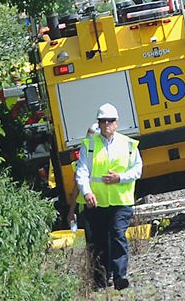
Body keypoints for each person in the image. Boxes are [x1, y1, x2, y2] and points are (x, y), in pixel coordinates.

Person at [75, 103, 142, 290]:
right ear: (99, 123)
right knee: (98, 242)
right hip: (96, 203)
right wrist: (86, 192)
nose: (106, 124)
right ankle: (101, 281)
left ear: (116, 123)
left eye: (110, 121)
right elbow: (82, 171)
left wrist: (120, 178)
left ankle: (120, 276)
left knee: (118, 235)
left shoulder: (128, 144)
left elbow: (137, 169)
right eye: (103, 121)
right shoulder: (89, 145)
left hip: (121, 202)